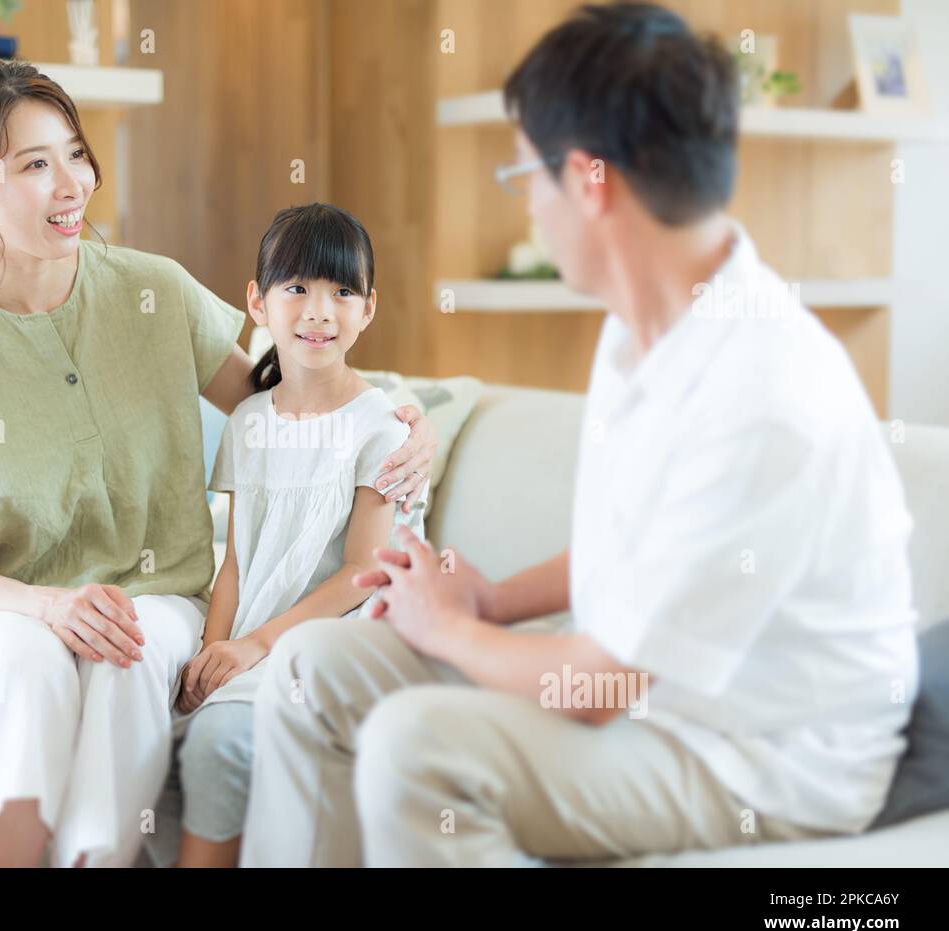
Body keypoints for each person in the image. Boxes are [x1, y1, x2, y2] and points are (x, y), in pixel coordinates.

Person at [240, 2, 919, 867]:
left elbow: (604, 684)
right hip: (656, 693)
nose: (528, 207)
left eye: (526, 177)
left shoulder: (764, 392)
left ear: (589, 182)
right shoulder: (640, 326)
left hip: (763, 755)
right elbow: (635, 550)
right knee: (314, 667)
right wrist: (486, 603)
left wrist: (447, 629)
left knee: (422, 749)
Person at [0, 59, 438, 868]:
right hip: (15, 610)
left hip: (161, 594)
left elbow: (282, 409)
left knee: (128, 649)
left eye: (75, 154)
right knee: (13, 669)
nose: (72, 184)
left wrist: (408, 419)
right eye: (34, 165)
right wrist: (52, 610)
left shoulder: (153, 292)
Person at [164, 204, 428, 867]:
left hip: (340, 641)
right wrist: (212, 649)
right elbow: (237, 561)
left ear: (368, 310)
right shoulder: (249, 422)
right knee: (186, 726)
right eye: (298, 288)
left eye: (343, 291)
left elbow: (361, 574)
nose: (320, 310)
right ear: (257, 302)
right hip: (258, 636)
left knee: (219, 742)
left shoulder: (380, 428)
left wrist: (252, 645)